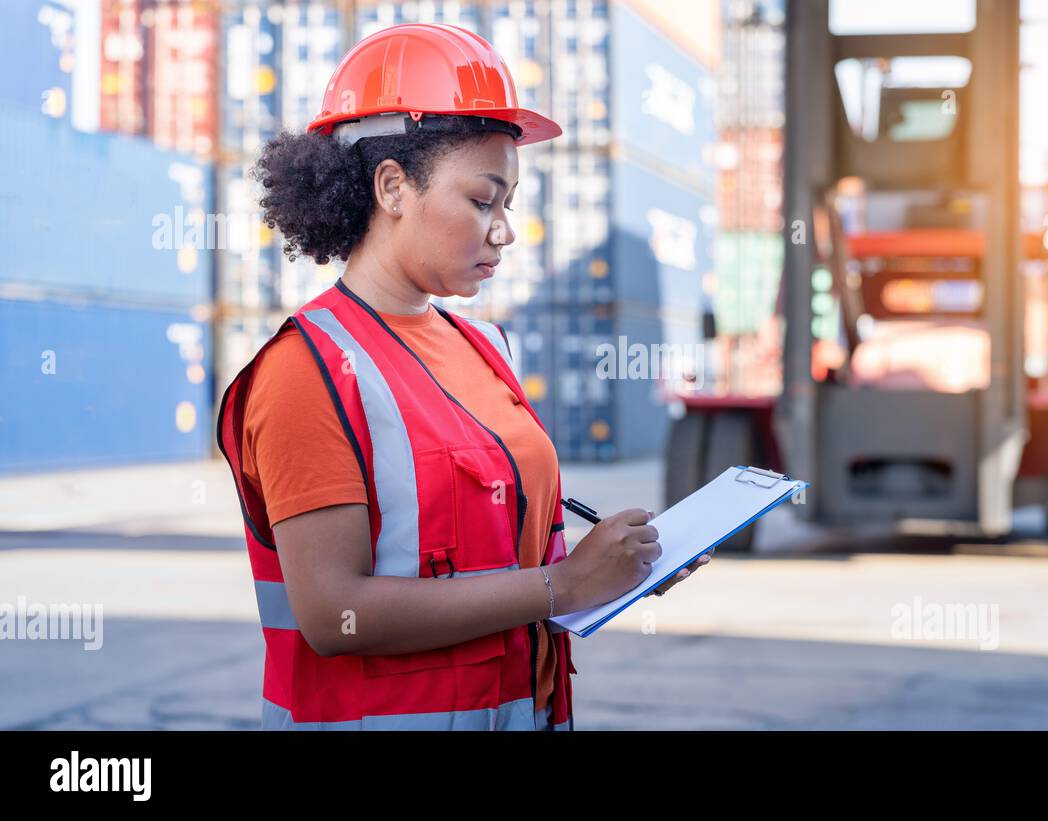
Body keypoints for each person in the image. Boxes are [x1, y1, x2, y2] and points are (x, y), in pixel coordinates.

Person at [215, 23, 711, 731]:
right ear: (392, 186)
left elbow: (500, 555)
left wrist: (612, 568)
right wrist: (558, 584)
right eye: (484, 200)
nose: (504, 229)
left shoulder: (487, 347)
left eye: (508, 204)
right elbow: (334, 614)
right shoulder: (308, 371)